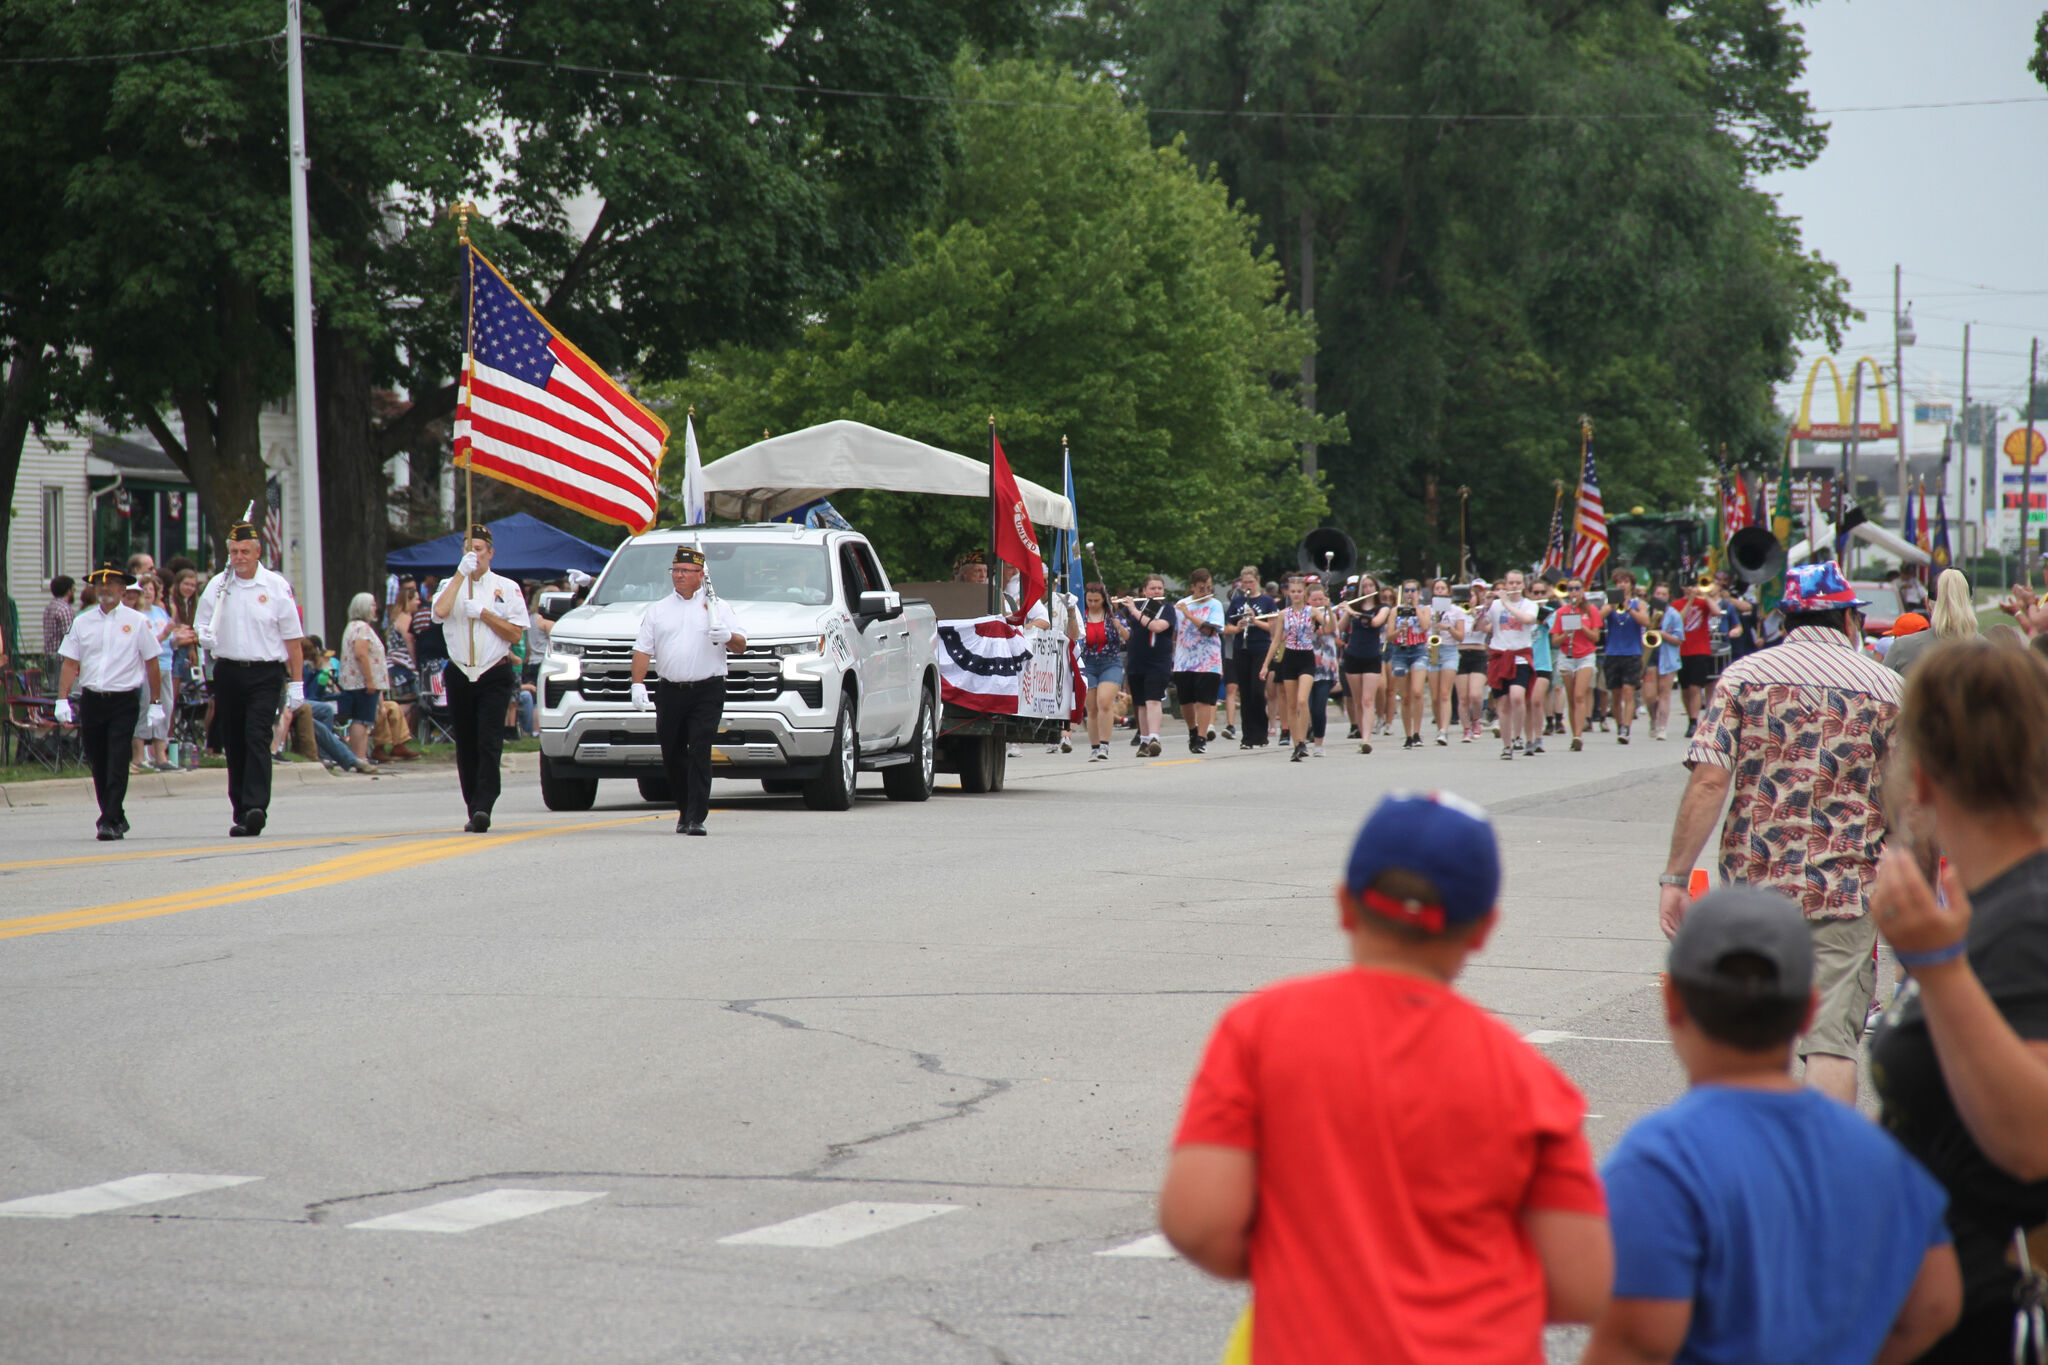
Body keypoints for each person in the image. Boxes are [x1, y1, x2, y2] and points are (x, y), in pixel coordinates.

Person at [1160, 791, 1611, 1363]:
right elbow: (1581, 1282)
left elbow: (1200, 1223)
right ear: (1482, 929)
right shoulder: (1527, 1078)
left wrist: (1303, 1266)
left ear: (1345, 905)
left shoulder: (1260, 1030)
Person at [1584, 884, 1960, 1365]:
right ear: (1808, 1008)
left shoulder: (1660, 1161)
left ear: (1672, 1001)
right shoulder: (1879, 1155)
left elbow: (1636, 1342)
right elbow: (1936, 1304)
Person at [1658, 562, 1900, 1104]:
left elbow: (1709, 781)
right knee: (1832, 1043)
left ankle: (1747, 1167)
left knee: (1746, 1038)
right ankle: (1819, 1168)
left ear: (1785, 615)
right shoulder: (1889, 688)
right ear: (1847, 618)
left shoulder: (1743, 677)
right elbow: (1908, 798)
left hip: (1754, 889)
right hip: (1847, 887)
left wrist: (1676, 875)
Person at [1867, 639, 2048, 1362]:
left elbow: (2032, 1141)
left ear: (1926, 775)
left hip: (1988, 1323)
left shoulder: (2027, 915)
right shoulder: (2001, 902)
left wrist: (1939, 971)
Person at [193, 516, 306, 838]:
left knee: (256, 735)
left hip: (265, 672)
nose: (239, 557)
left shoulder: (275, 587)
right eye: (233, 551)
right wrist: (205, 638)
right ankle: (241, 808)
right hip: (228, 670)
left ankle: (256, 806)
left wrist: (297, 683)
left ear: (258, 552)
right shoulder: (219, 585)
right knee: (235, 739)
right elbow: (201, 626)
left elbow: (293, 639)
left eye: (244, 551)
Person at [629, 544, 746, 835]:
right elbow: (643, 650)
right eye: (676, 570)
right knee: (672, 751)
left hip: (707, 689)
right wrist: (637, 684)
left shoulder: (717, 607)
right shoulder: (658, 610)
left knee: (700, 748)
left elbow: (742, 645)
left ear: (700, 575)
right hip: (670, 691)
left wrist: (727, 636)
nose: (679, 575)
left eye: (685, 571)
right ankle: (684, 807)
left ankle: (696, 816)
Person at [52, 564, 165, 840]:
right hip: (92, 698)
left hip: (124, 699)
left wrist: (156, 702)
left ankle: (109, 820)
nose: (105, 589)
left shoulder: (136, 621)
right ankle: (115, 814)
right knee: (98, 759)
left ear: (123, 589)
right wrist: (62, 699)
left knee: (117, 757)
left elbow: (152, 663)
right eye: (100, 585)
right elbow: (70, 662)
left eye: (111, 584)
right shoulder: (83, 621)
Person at [433, 524, 531, 833]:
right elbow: (440, 612)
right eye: (468, 548)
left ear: (490, 552)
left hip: (493, 670)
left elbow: (515, 633)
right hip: (460, 670)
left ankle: (484, 805)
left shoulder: (507, 587)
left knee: (489, 741)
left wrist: (486, 614)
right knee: (466, 743)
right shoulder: (451, 583)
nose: (473, 554)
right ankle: (472, 803)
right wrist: (460, 576)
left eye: (478, 549)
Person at [1261, 576, 1328, 763]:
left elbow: (1330, 627)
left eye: (1299, 591)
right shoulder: (1284, 614)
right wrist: (1265, 665)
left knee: (1301, 700)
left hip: (1306, 657)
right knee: (1290, 704)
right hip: (1289, 658)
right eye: (1293, 592)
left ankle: (1304, 737)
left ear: (1304, 594)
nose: (1296, 595)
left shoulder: (1313, 611)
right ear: (1289, 593)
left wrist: (1328, 609)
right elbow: (1276, 640)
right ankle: (1298, 743)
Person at [1484, 570, 1539, 761]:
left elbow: (1528, 620)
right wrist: (1485, 606)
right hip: (1499, 656)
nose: (1514, 586)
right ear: (1505, 585)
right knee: (1503, 704)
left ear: (1523, 585)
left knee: (1517, 696)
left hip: (1520, 656)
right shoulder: (1495, 605)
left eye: (1517, 583)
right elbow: (1481, 627)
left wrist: (1506, 603)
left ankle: (1518, 736)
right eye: (1511, 583)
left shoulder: (1530, 605)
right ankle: (1506, 745)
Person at [1171, 569, 1225, 754]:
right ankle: (1192, 731)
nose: (1205, 591)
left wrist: (1189, 615)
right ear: (1192, 587)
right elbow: (1174, 633)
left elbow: (1210, 629)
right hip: (1184, 660)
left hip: (1208, 660)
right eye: (1201, 588)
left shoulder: (1215, 605)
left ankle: (1201, 737)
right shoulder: (1181, 604)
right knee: (1185, 700)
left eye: (1209, 587)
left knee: (1204, 700)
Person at [1120, 575, 1174, 758]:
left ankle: (1154, 738)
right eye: (1153, 588)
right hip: (1136, 662)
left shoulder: (1167, 609)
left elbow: (1158, 627)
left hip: (1158, 662)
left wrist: (1134, 610)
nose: (1157, 591)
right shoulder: (1134, 608)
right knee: (1140, 703)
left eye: (1160, 588)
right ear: (1144, 591)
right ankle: (1143, 741)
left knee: (1153, 700)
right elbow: (1124, 630)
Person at [1884, 567, 1973, 676]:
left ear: (1927, 603)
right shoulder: (1989, 651)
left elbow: (1881, 690)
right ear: (1969, 603)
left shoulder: (1901, 648)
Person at [1224, 567, 1275, 748]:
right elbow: (1226, 627)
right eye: (1244, 583)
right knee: (1245, 693)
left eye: (1250, 582)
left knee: (1257, 692)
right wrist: (1238, 627)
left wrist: (1255, 620)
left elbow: (1273, 628)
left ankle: (1261, 733)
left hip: (1260, 649)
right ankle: (1247, 737)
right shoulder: (1238, 601)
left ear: (1257, 581)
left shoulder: (1267, 601)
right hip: (1242, 649)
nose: (1247, 586)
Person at [1550, 577, 1601, 753]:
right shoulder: (1561, 612)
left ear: (1582, 590)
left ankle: (1579, 735)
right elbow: (1555, 640)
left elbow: (1596, 637)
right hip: (1567, 656)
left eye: (1577, 588)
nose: (1573, 592)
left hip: (1585, 656)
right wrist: (1566, 634)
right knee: (1571, 697)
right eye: (1570, 589)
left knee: (1579, 695)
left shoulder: (1591, 610)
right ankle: (1574, 735)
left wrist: (1580, 626)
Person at [338, 592, 389, 767]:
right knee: (363, 719)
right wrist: (370, 680)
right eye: (372, 605)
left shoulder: (351, 626)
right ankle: (360, 757)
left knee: (360, 718)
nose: (375, 608)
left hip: (353, 682)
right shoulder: (362, 628)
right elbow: (361, 653)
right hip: (362, 682)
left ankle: (357, 756)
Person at [1078, 582, 1127, 761]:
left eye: (1096, 600)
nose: (1092, 604)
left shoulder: (1112, 616)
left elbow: (1128, 637)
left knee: (1104, 702)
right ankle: (1094, 746)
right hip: (1088, 663)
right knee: (1091, 708)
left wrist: (1119, 626)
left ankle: (1104, 745)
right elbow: (1074, 636)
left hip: (1110, 662)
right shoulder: (1081, 617)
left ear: (1103, 600)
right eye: (1089, 600)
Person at [1338, 574, 1387, 754]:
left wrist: (1352, 613)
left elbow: (1374, 622)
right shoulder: (1353, 606)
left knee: (1368, 700)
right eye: (1364, 587)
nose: (1367, 590)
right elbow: (1338, 628)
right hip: (1353, 656)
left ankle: (1367, 739)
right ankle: (1361, 733)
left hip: (1372, 656)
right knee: (1358, 700)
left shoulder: (1383, 608)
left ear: (1375, 588)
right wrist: (1342, 610)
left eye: (1370, 586)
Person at [1603, 572, 1650, 744]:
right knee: (1615, 695)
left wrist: (1628, 607)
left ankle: (1627, 728)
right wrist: (1610, 606)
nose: (1622, 585)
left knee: (1628, 692)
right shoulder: (1609, 604)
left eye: (1626, 582)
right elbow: (1598, 619)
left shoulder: (1639, 604)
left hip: (1632, 653)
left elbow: (1646, 621)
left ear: (1631, 584)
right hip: (1613, 653)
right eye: (1619, 582)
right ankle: (1620, 724)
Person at [1676, 578, 1715, 738]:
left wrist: (1705, 596)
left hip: (1700, 649)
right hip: (1682, 650)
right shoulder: (1676, 604)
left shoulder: (1703, 602)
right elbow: (1679, 619)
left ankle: (1694, 721)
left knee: (1695, 687)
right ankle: (1690, 717)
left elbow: (1717, 611)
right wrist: (1691, 599)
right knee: (1685, 690)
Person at [1427, 577, 1464, 746]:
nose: (1440, 591)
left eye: (1443, 588)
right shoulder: (1427, 610)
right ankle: (1438, 725)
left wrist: (1448, 627)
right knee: (1434, 696)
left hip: (1449, 650)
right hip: (1432, 650)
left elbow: (1461, 637)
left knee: (1444, 693)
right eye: (1437, 588)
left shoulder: (1456, 611)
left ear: (1448, 591)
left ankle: (1444, 730)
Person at [1306, 583, 1340, 757]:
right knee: (1307, 706)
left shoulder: (1329, 613)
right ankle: (1303, 737)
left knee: (1319, 707)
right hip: (1306, 666)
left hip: (1325, 668)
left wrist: (1328, 609)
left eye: (1321, 599)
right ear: (1308, 600)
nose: (1318, 602)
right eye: (1314, 599)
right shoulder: (1304, 614)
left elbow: (1332, 628)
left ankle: (1319, 742)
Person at [1455, 580, 1491, 744]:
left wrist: (1481, 613)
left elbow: (1482, 629)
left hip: (1478, 653)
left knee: (1475, 695)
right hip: (1461, 653)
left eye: (1471, 596)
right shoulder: (1457, 612)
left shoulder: (1482, 612)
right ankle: (1466, 728)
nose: (1469, 600)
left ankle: (1476, 719)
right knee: (1463, 698)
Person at [1649, 585, 1683, 741]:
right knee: (1649, 695)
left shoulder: (1673, 614)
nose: (1660, 596)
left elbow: (1679, 639)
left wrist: (1662, 634)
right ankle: (1653, 719)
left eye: (1664, 594)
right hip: (1650, 655)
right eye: (1658, 593)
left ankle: (1662, 726)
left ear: (1668, 597)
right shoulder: (1648, 611)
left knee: (1664, 692)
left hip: (1667, 656)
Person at [41, 574, 76, 693]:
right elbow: (70, 636)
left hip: (49, 655)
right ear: (69, 591)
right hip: (60, 658)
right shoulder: (64, 609)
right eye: (73, 589)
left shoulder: (50, 607)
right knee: (62, 691)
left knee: (52, 690)